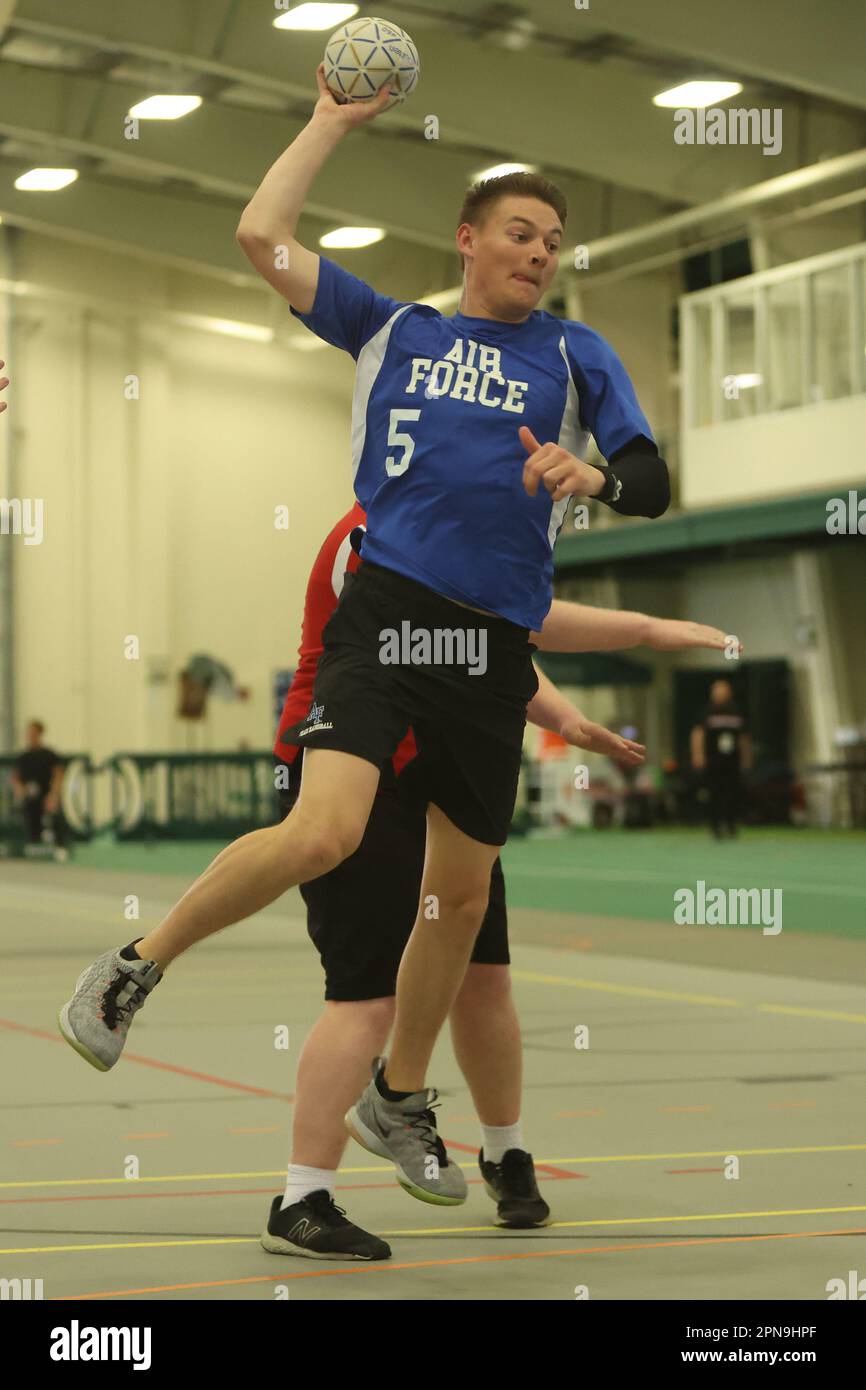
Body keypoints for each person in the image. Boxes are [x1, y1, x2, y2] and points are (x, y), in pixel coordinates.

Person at [59, 64, 671, 1209]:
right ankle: (134, 970)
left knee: (459, 902)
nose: (540, 254)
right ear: (469, 241)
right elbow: (258, 232)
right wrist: (327, 119)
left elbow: (649, 476)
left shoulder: (577, 355)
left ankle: (398, 1095)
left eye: (553, 241)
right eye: (520, 234)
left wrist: (591, 473)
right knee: (323, 831)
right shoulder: (391, 327)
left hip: (490, 649)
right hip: (386, 619)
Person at [260, 502, 734, 1259]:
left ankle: (505, 1153)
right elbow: (515, 624)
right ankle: (301, 1195)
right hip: (353, 772)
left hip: (447, 778)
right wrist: (644, 630)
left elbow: (496, 637)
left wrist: (568, 718)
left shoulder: (467, 530)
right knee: (367, 993)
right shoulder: (376, 538)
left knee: (482, 974)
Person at [690, 679, 752, 838]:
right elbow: (698, 734)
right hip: (713, 759)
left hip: (732, 760)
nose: (720, 694)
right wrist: (698, 755)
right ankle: (715, 826)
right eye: (718, 691)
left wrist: (746, 758)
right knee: (714, 792)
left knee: (732, 793)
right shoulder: (707, 712)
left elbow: (744, 738)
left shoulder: (736, 712)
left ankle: (731, 825)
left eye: (724, 690)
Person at [11, 720, 68, 850]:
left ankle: (60, 847)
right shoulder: (23, 757)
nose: (30, 736)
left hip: (47, 795)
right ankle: (32, 844)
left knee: (55, 817)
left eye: (33, 733)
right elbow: (16, 778)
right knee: (29, 814)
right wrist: (20, 790)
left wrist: (53, 795)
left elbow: (58, 775)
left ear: (40, 734)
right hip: (30, 797)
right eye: (28, 733)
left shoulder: (50, 755)